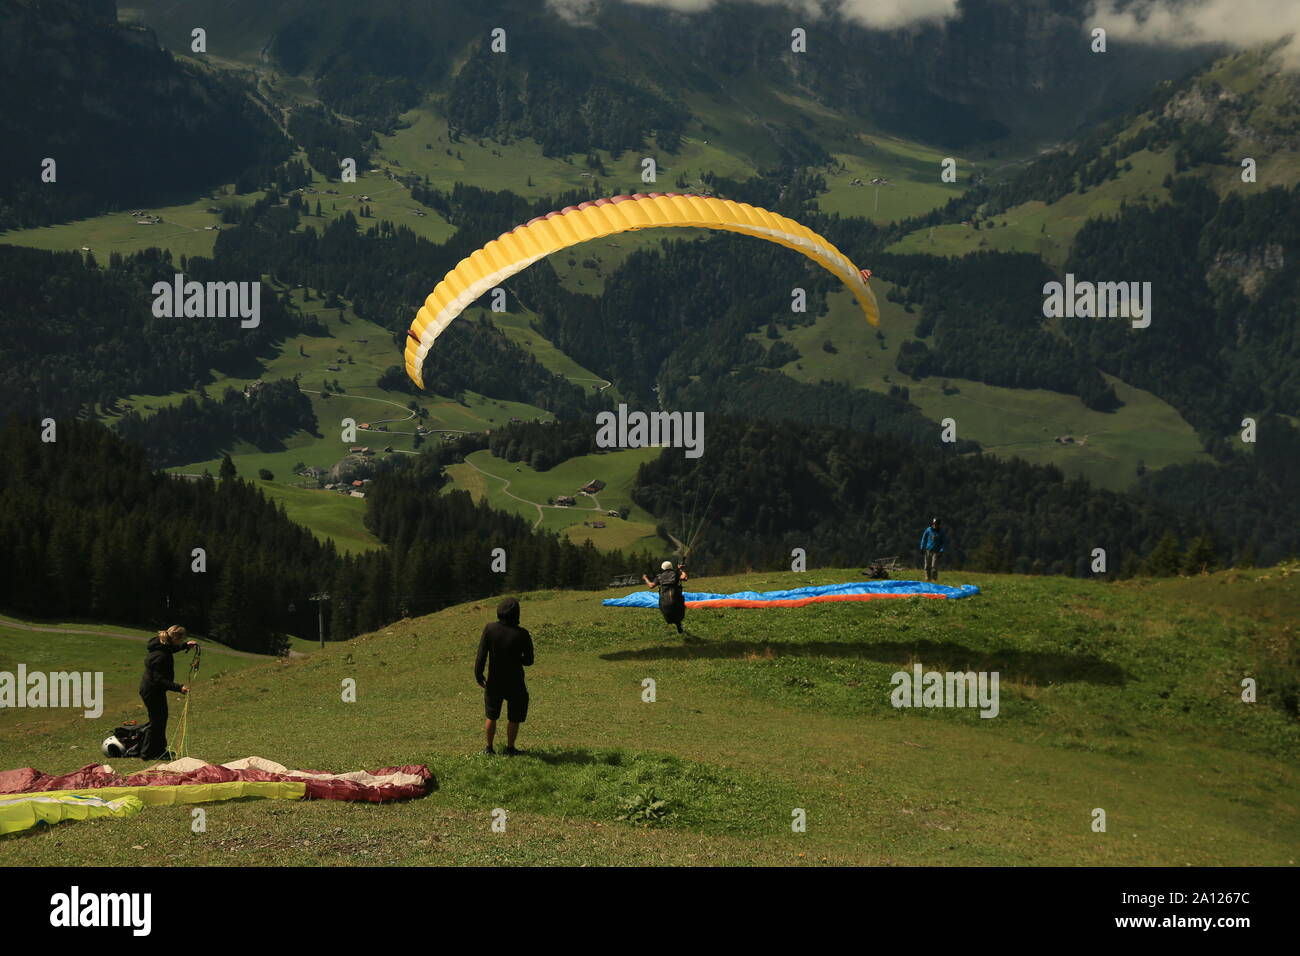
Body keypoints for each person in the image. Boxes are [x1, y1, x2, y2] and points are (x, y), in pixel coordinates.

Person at [474, 597, 534, 756]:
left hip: (494, 680)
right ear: (517, 614)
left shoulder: (490, 629)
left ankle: (489, 748)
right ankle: (510, 748)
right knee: (514, 717)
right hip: (515, 681)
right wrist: (516, 658)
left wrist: (479, 675)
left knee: (491, 715)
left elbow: (481, 655)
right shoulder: (523, 634)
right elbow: (529, 661)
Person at [138, 625, 196, 760]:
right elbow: (159, 680)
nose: (182, 642)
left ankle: (157, 750)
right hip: (152, 691)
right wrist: (179, 687)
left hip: (152, 689)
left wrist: (186, 646)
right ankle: (149, 753)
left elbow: (170, 649)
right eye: (182, 640)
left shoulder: (160, 646)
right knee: (157, 721)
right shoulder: (161, 655)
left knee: (160, 719)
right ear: (175, 638)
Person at [643, 560, 688, 635]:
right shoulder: (675, 574)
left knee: (670, 614)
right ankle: (678, 624)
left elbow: (651, 585)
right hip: (677, 599)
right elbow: (684, 578)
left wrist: (645, 578)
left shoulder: (659, 576)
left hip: (664, 602)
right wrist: (682, 570)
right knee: (677, 612)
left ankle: (677, 624)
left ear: (662, 568)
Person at [919, 517, 948, 582]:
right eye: (934, 523)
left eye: (936, 524)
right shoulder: (928, 530)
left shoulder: (941, 532)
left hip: (936, 552)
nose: (935, 525)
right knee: (927, 566)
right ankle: (927, 578)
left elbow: (943, 542)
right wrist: (922, 547)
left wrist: (941, 550)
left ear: (939, 524)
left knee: (934, 566)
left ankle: (935, 579)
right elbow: (924, 538)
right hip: (928, 550)